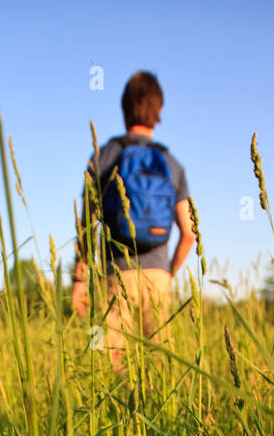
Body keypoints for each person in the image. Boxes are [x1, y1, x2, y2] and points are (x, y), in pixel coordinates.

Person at [72, 71, 194, 367]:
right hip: (158, 278)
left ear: (124, 108)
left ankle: (118, 415)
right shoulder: (171, 162)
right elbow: (190, 232)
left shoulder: (104, 155)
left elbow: (86, 224)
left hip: (115, 276)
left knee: (111, 363)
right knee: (160, 366)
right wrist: (169, 272)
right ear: (159, 111)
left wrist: (80, 279)